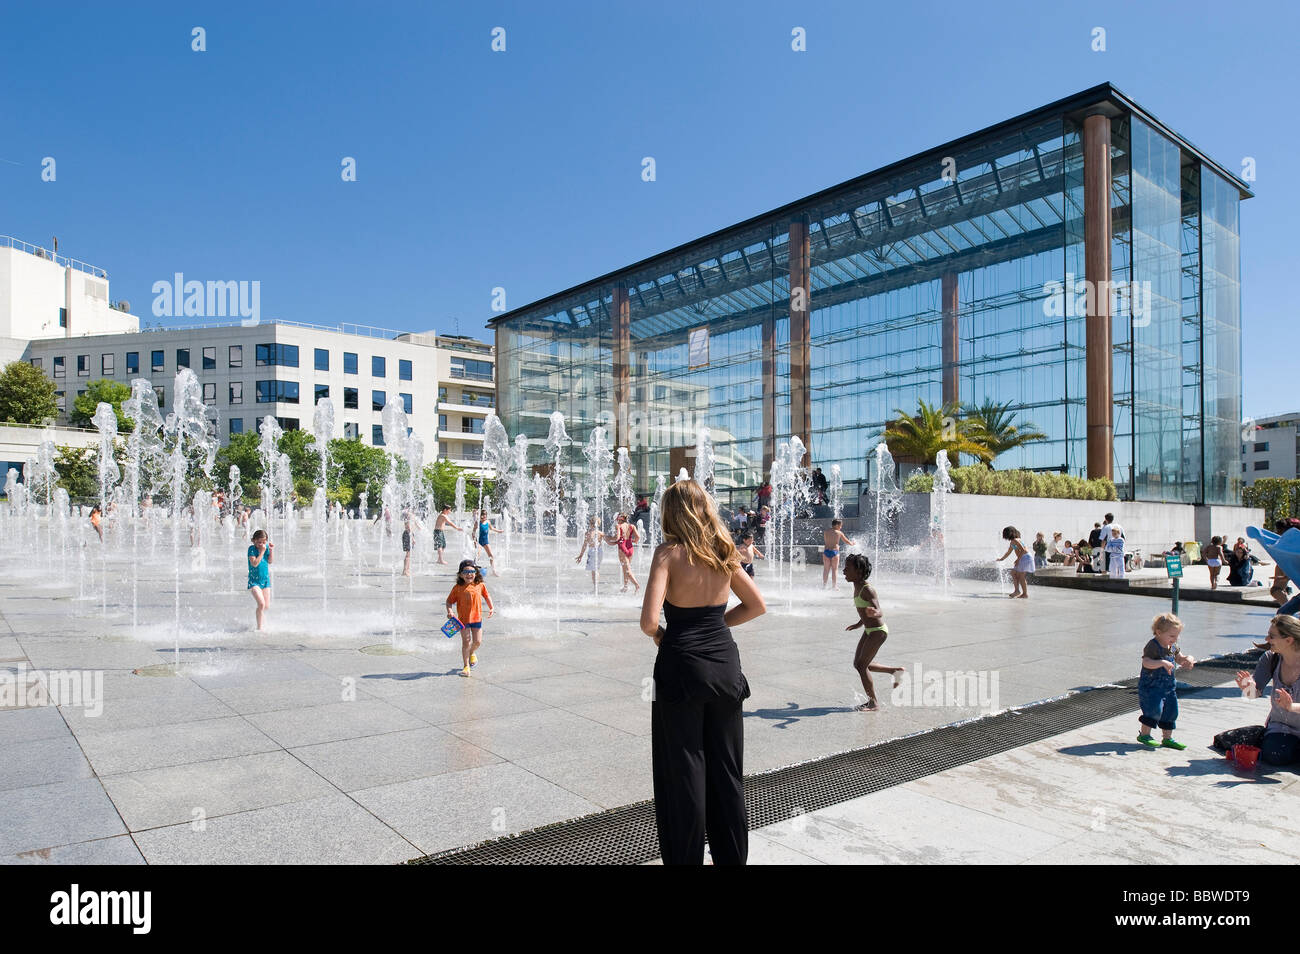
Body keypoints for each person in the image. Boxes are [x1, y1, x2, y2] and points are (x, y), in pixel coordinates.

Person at [639, 478, 766, 865]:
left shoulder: (667, 554)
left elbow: (647, 622)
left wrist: (668, 637)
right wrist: (716, 627)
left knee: (684, 769)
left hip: (680, 666)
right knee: (727, 770)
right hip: (725, 666)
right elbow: (756, 605)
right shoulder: (724, 552)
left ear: (670, 513)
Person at [1234, 615, 1300, 766]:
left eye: (1272, 636)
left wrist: (1291, 707)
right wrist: (1248, 688)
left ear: (1289, 640)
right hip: (1281, 727)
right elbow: (1253, 694)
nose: (1266, 639)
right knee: (1275, 755)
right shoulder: (1271, 658)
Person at [843, 554, 903, 711]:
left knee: (862, 666)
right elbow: (864, 610)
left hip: (878, 631)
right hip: (869, 629)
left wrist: (873, 613)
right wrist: (859, 623)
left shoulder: (867, 589)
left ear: (859, 571)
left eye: (847, 568)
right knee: (859, 664)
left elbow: (879, 610)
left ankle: (873, 702)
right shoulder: (856, 585)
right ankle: (894, 671)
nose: (843, 571)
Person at [1137, 612, 1195, 749]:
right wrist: (1162, 663)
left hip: (1168, 686)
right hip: (1152, 685)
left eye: (1177, 636)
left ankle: (1167, 738)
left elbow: (1179, 658)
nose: (1175, 639)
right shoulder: (1153, 646)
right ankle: (1144, 734)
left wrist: (1188, 659)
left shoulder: (1171, 646)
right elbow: (1146, 662)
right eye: (1172, 636)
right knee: (1154, 709)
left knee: (1171, 711)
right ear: (1158, 632)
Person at [447, 560, 493, 677]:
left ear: (476, 573)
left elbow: (487, 596)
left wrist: (491, 607)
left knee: (477, 641)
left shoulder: (480, 585)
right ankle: (466, 666)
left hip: (477, 618)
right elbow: (449, 601)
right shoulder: (458, 587)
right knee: (466, 642)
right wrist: (450, 611)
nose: (469, 574)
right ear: (461, 574)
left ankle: (472, 652)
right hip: (463, 620)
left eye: (472, 571)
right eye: (466, 572)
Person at [607, 512, 641, 594]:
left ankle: (636, 585)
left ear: (619, 519)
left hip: (622, 548)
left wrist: (610, 540)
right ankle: (625, 587)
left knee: (627, 570)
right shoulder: (632, 526)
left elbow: (618, 538)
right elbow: (638, 537)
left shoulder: (619, 526)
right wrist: (633, 541)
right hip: (630, 548)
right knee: (625, 568)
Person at [995, 526, 1033, 598]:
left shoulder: (1016, 540)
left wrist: (1018, 559)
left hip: (1025, 558)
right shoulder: (1012, 542)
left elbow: (1023, 550)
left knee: (1021, 576)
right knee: (1014, 573)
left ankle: (1024, 593)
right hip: (1023, 558)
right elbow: (1008, 552)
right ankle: (1017, 591)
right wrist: (1001, 559)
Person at [247, 529, 274, 631]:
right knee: (261, 604)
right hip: (254, 582)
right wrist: (262, 552)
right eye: (259, 542)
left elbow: (270, 561)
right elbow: (254, 563)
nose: (262, 544)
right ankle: (259, 628)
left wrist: (270, 551)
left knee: (266, 606)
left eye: (264, 542)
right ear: (254, 541)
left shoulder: (266, 548)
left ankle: (262, 621)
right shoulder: (252, 549)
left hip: (265, 580)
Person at [574, 515, 604, 592]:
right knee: (597, 569)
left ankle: (595, 588)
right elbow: (608, 540)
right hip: (600, 551)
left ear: (591, 524)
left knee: (594, 570)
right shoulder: (601, 533)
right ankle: (596, 587)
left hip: (592, 551)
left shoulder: (588, 533)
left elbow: (585, 545)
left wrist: (580, 555)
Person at [822, 518, 854, 589]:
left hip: (826, 552)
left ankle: (824, 586)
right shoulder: (839, 533)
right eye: (840, 525)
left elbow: (826, 541)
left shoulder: (826, 532)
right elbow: (846, 541)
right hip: (835, 552)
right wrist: (852, 543)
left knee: (826, 569)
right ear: (836, 525)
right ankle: (834, 586)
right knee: (834, 569)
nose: (841, 527)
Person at [1270, 520, 1293, 606]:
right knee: (1277, 589)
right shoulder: (1293, 536)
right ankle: (1287, 609)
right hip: (1286, 561)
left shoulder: (1285, 538)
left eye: (1278, 530)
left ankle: (1288, 610)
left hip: (1285, 561)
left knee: (1276, 589)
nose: (1277, 532)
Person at [476, 509, 503, 575]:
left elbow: (492, 528)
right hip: (479, 541)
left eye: (485, 516)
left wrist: (499, 531)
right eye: (483, 516)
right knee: (477, 556)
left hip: (485, 541)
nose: (484, 518)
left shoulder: (488, 522)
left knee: (491, 556)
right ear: (480, 516)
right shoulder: (478, 522)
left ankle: (494, 571)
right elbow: (473, 531)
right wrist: (474, 539)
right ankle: (474, 569)